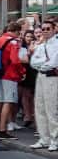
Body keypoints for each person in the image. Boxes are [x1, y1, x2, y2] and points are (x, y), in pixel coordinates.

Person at [0, 22, 25, 140]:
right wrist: (22, 71)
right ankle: (3, 129)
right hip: (10, 74)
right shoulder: (13, 42)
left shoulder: (0, 39)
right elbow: (15, 60)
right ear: (17, 31)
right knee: (8, 102)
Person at [29, 19, 58, 151]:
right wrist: (43, 62)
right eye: (43, 29)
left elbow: (52, 63)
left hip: (52, 77)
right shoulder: (41, 46)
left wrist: (43, 63)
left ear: (54, 30)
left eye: (48, 29)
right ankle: (44, 138)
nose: (45, 31)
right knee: (39, 107)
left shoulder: (56, 44)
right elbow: (33, 63)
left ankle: (55, 140)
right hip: (41, 76)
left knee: (51, 108)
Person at [18, 29, 37, 130]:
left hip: (33, 71)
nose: (29, 39)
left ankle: (33, 116)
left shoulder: (36, 45)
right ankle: (27, 116)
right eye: (27, 36)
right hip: (24, 71)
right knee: (25, 95)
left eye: (31, 36)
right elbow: (22, 59)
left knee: (32, 95)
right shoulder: (22, 47)